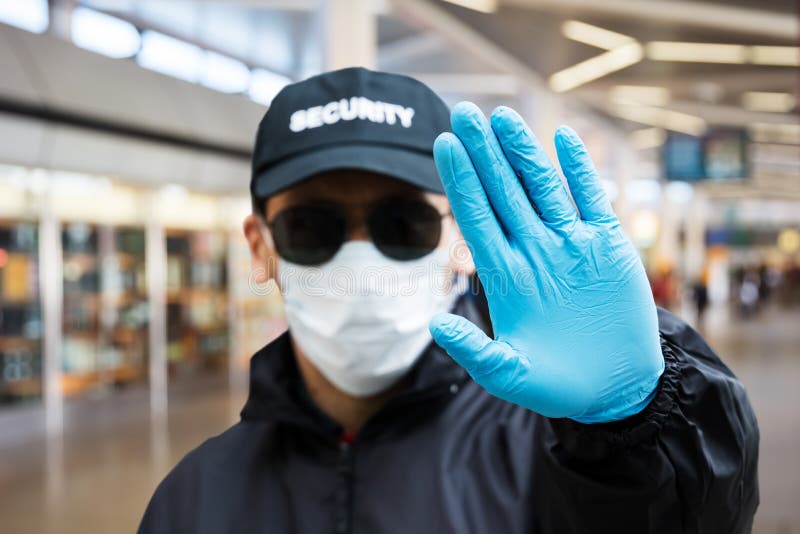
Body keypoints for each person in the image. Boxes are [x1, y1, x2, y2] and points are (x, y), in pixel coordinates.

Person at [139, 68, 758, 533]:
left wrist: (634, 425)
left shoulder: (558, 452)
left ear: (460, 238)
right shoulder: (190, 502)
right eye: (313, 228)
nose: (362, 261)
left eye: (404, 223)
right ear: (260, 246)